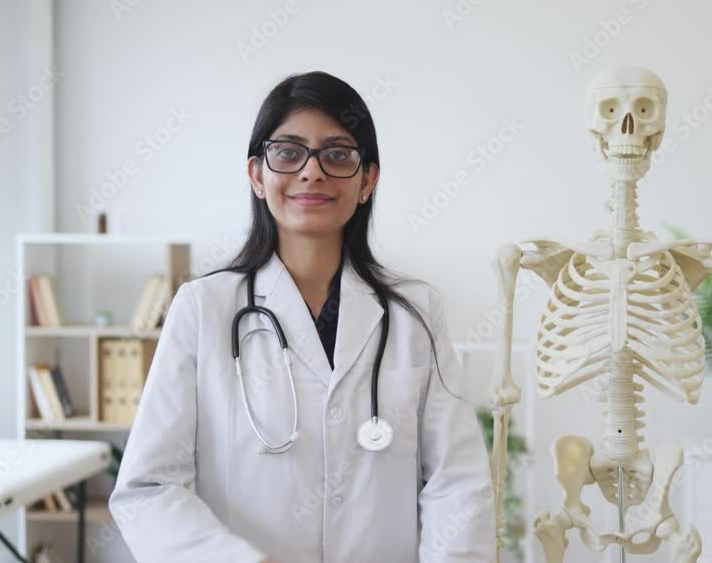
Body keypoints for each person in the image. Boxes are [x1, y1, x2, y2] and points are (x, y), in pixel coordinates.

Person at [109, 70, 495, 562]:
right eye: (289, 153)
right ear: (257, 175)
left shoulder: (415, 313)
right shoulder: (203, 309)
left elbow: (457, 482)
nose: (312, 172)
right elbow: (147, 489)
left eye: (338, 155)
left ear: (367, 180)